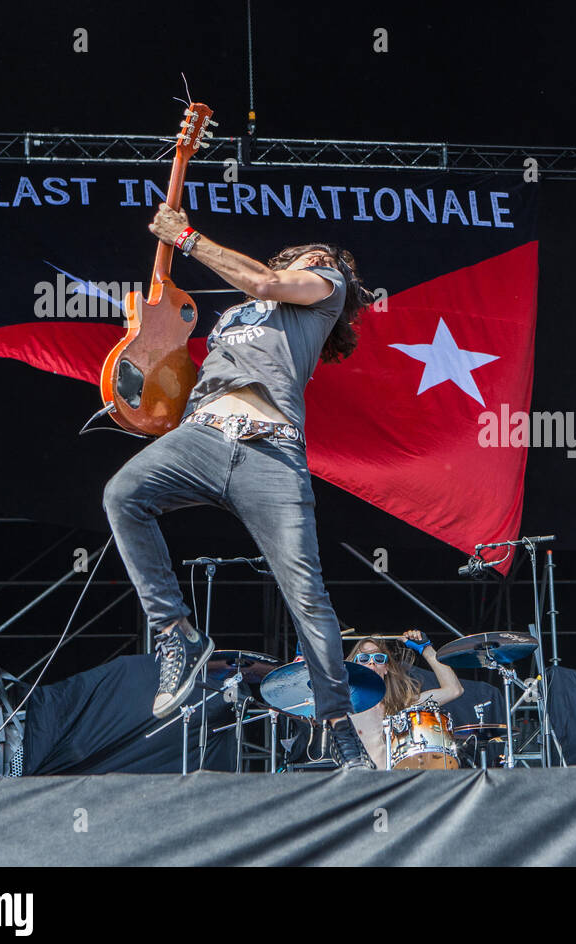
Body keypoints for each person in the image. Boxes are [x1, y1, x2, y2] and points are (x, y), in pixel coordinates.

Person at [102, 202, 376, 769]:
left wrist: (187, 238)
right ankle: (176, 635)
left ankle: (336, 726)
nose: (323, 259)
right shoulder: (234, 317)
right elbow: (173, 377)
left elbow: (264, 279)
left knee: (306, 593)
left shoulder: (319, 288)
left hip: (270, 451)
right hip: (203, 436)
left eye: (330, 261)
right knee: (123, 494)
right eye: (313, 252)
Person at [346, 631, 464, 770]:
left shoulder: (404, 707)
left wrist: (426, 649)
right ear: (353, 666)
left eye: (378, 658)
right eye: (364, 658)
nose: (371, 663)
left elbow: (454, 690)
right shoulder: (343, 709)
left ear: (386, 668)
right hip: (359, 783)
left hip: (398, 785)